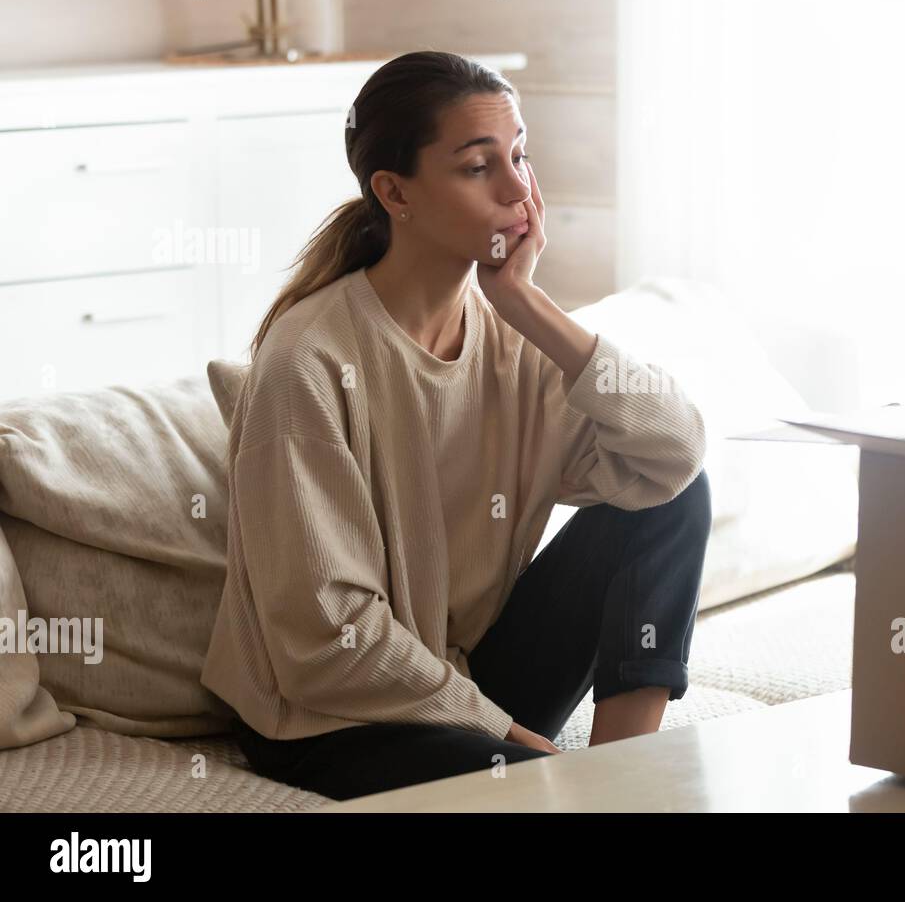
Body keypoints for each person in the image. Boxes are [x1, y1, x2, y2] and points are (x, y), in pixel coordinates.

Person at [199, 51, 712, 802]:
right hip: (331, 719)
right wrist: (512, 737)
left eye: (520, 156)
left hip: (469, 675)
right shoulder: (308, 362)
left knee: (673, 494)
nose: (517, 191)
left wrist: (531, 307)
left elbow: (672, 455)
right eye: (478, 168)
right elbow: (323, 642)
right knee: (542, 794)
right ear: (394, 191)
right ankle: (590, 792)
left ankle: (620, 781)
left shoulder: (515, 341)